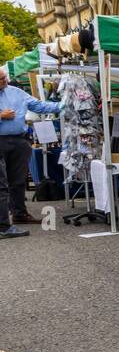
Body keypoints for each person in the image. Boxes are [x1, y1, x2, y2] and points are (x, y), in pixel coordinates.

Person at [0, 67, 60, 239]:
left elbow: (38, 105)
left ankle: (19, 213)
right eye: (0, 79)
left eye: (4, 78)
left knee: (17, 181)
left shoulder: (16, 92)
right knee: (1, 184)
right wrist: (1, 115)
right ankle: (3, 225)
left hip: (19, 140)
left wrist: (62, 106)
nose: (3, 81)